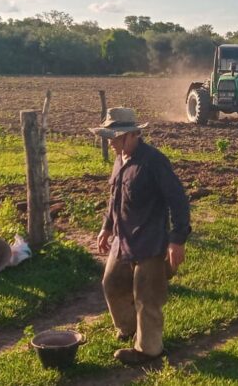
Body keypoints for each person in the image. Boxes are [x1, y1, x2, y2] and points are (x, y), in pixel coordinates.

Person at [89, 107, 192, 365]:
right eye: (109, 136)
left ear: (134, 134)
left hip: (150, 242)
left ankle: (149, 350)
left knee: (147, 297)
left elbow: (178, 200)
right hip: (122, 239)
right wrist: (107, 226)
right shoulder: (121, 158)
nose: (111, 141)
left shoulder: (154, 161)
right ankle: (128, 329)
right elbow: (115, 198)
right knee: (111, 283)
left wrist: (177, 239)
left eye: (116, 136)